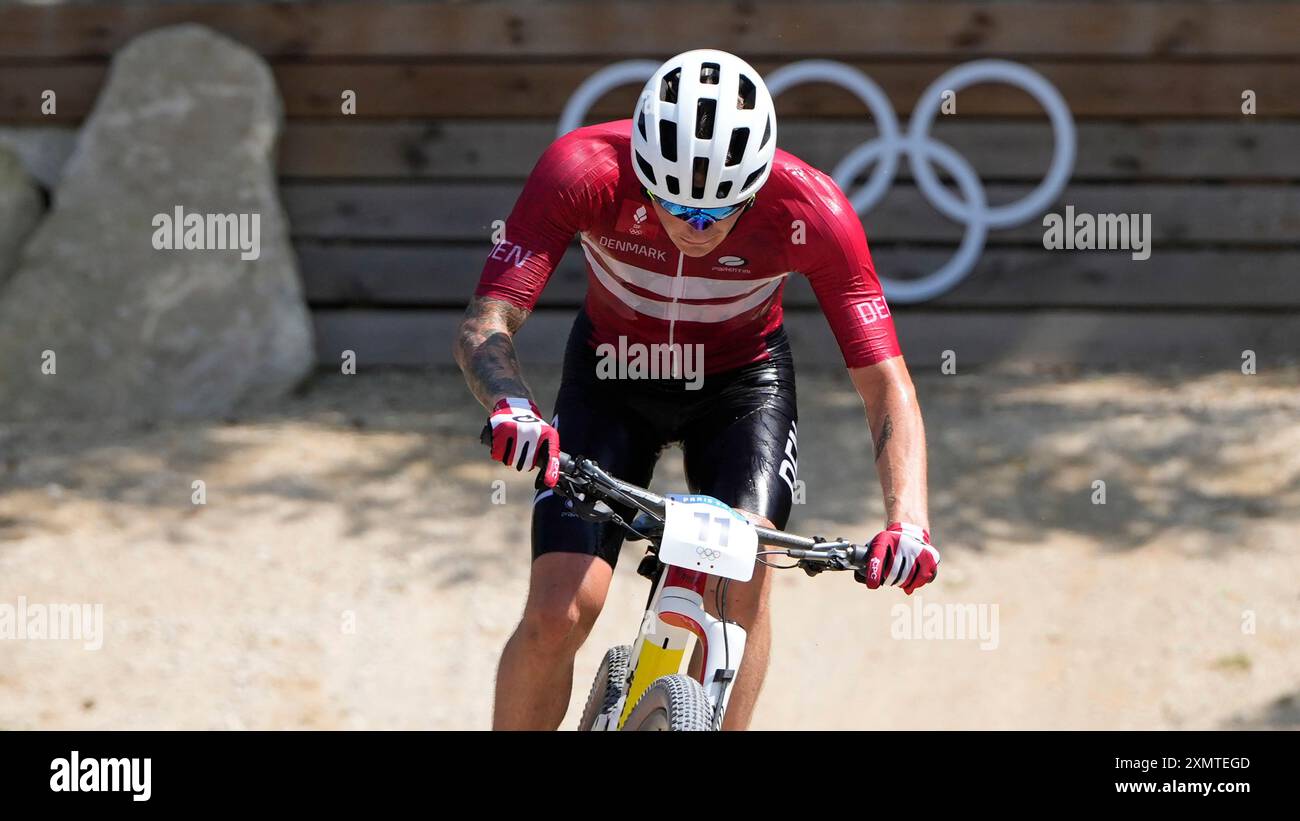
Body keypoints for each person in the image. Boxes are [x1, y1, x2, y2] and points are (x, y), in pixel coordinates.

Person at [454, 49, 939, 730]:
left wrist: (908, 521)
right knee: (559, 611)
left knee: (745, 577)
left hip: (740, 387)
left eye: (722, 211)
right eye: (675, 204)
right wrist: (511, 403)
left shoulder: (813, 209)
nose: (697, 229)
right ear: (641, 172)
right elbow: (487, 321)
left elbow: (887, 384)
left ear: (761, 181)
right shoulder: (582, 168)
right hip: (611, 376)